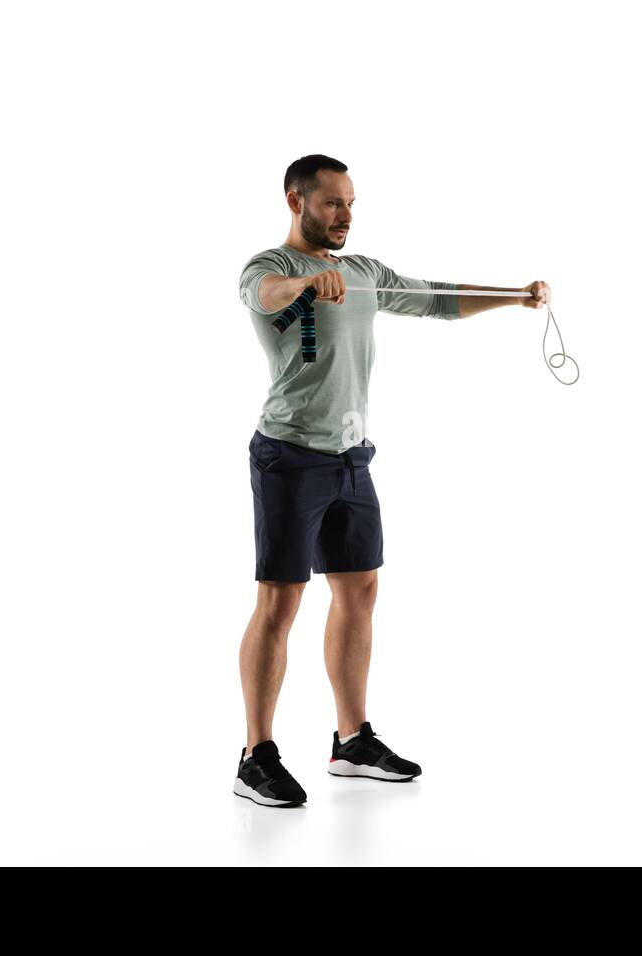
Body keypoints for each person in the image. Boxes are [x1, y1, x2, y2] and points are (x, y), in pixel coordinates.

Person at [233, 154, 550, 807]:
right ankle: (254, 755)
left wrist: (516, 296)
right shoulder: (272, 267)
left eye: (350, 203)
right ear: (295, 201)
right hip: (289, 456)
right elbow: (264, 297)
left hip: (352, 455)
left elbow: (433, 299)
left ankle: (351, 741)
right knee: (281, 602)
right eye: (331, 204)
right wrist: (305, 285)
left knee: (360, 590)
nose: (345, 215)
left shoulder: (364, 272)